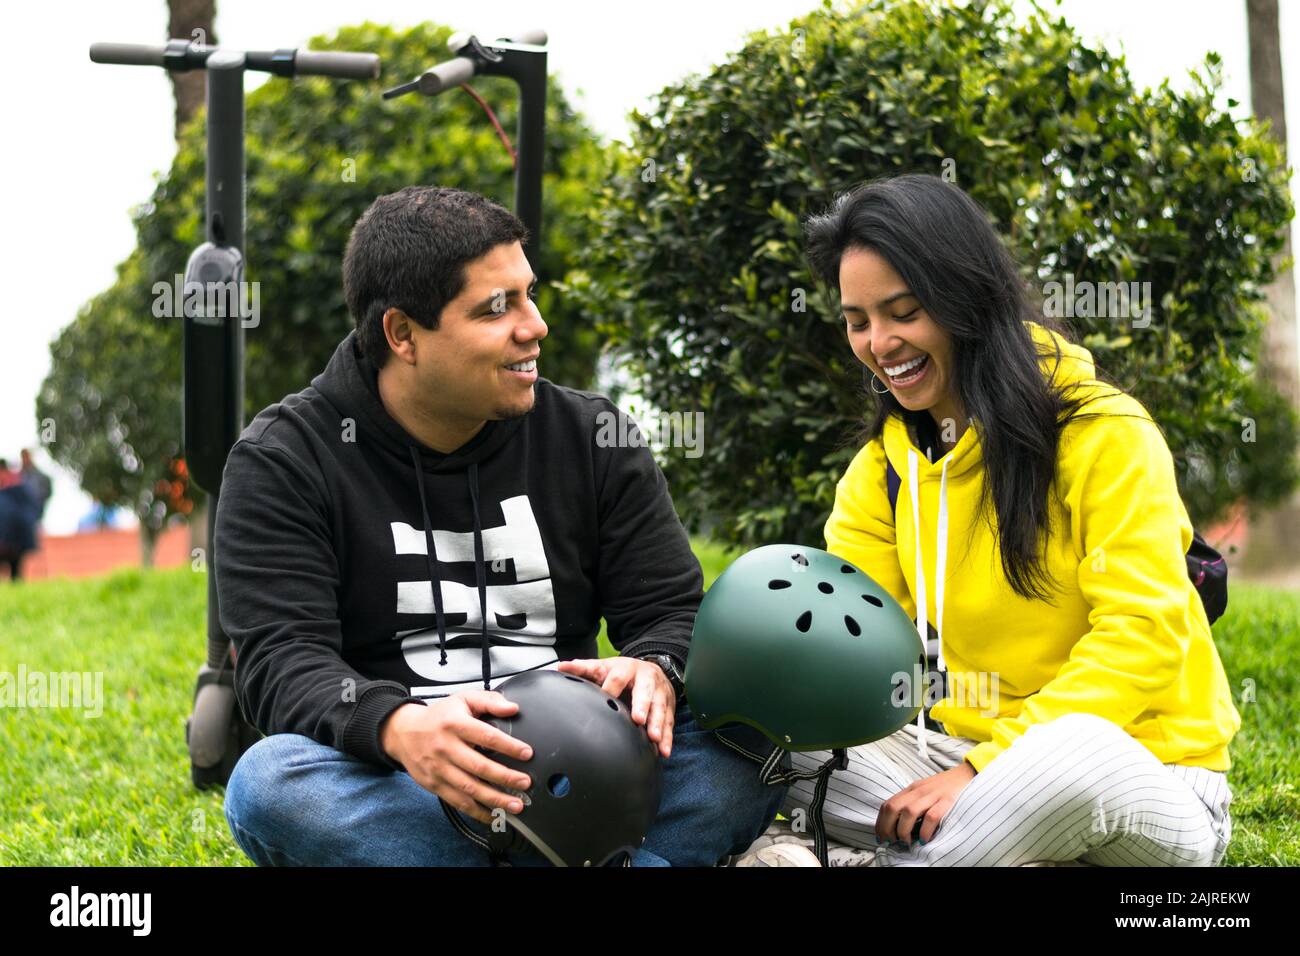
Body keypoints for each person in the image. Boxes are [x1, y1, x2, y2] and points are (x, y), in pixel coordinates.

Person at [216, 185, 786, 867]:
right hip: (410, 783)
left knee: (754, 736)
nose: (535, 325)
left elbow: (669, 611)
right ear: (403, 335)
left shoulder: (590, 436)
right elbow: (284, 660)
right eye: (497, 308)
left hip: (591, 767)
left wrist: (656, 667)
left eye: (529, 294)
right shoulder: (286, 457)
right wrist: (399, 727)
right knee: (271, 784)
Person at [745, 174, 1239, 867]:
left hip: (1134, 769)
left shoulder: (1105, 434)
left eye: (904, 312)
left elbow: (1142, 638)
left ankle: (842, 857)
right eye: (858, 321)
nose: (880, 343)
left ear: (965, 299)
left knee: (1072, 758)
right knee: (761, 734)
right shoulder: (882, 476)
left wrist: (983, 772)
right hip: (948, 763)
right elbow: (859, 654)